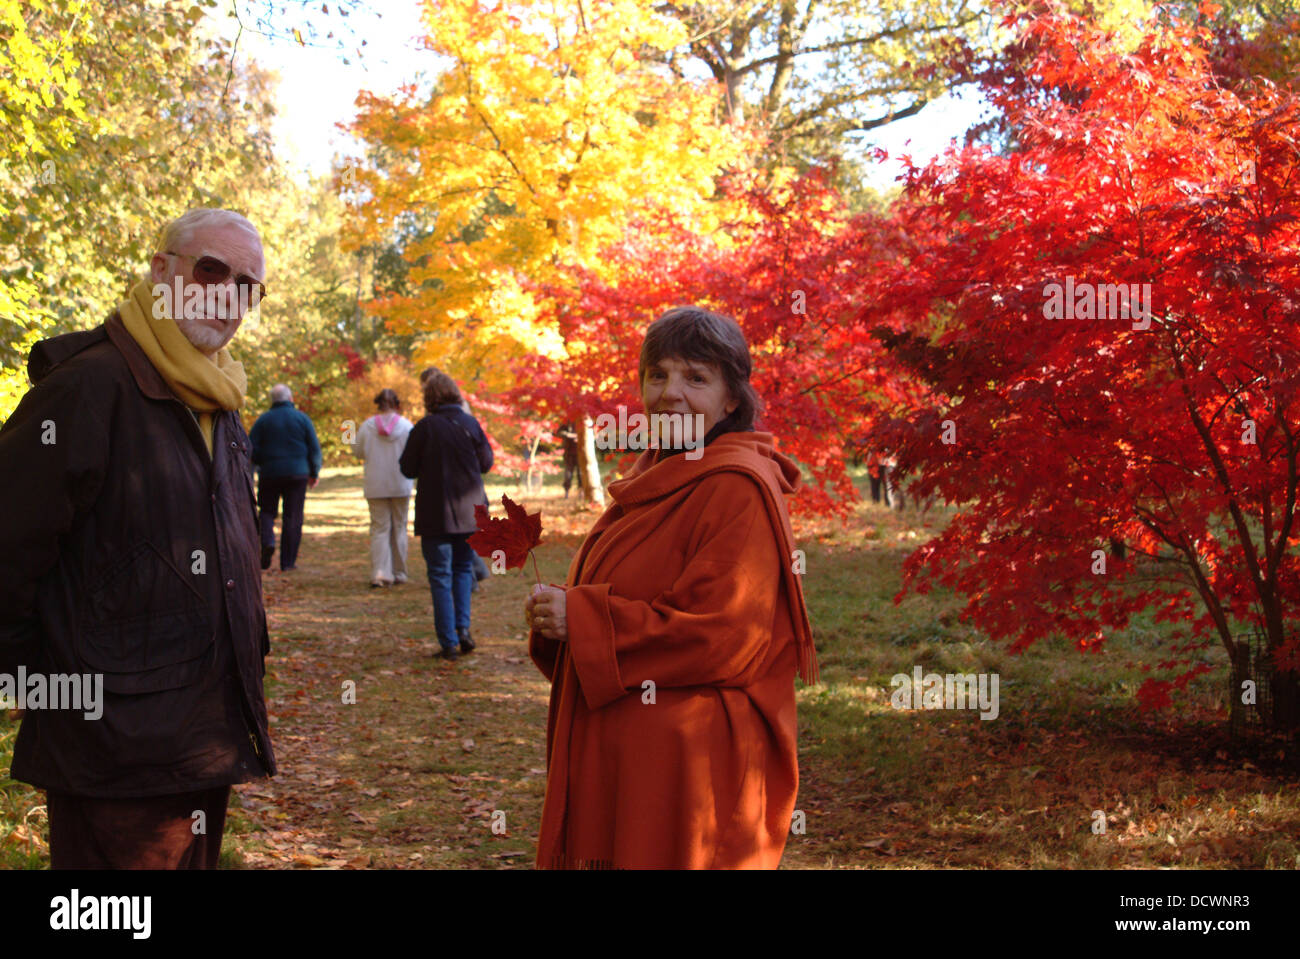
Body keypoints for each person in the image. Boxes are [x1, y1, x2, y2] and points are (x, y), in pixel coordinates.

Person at [0, 207, 276, 868]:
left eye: (247, 284)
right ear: (161, 271)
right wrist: (56, 695)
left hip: (202, 734)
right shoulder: (86, 387)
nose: (228, 294)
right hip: (112, 750)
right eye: (212, 270)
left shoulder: (220, 398)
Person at [523, 305, 817, 869]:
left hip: (688, 769)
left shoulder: (736, 487)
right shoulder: (657, 471)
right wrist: (562, 614)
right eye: (656, 375)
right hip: (633, 753)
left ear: (732, 399)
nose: (669, 393)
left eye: (695, 377)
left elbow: (726, 634)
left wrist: (583, 619)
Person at [400, 368, 493, 661]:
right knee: (463, 571)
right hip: (469, 512)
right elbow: (486, 463)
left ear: (429, 398)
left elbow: (407, 468)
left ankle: (449, 641)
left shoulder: (424, 428)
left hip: (434, 513)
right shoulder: (470, 423)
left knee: (440, 575)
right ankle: (462, 631)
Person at [249, 384, 321, 571]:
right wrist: (314, 472)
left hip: (270, 473)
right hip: (297, 474)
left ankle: (268, 541)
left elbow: (250, 448)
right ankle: (288, 562)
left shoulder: (263, 420)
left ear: (272, 400)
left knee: (266, 511)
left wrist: (257, 464)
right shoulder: (302, 419)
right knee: (293, 517)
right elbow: (314, 448)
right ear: (291, 399)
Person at [352, 388, 414, 587]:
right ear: (397, 404)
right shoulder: (406, 426)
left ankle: (381, 573)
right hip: (400, 483)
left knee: (380, 529)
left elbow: (358, 452)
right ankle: (399, 572)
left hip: (375, 483)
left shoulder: (367, 426)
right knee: (399, 527)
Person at [557, 421, 579, 498]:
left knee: (581, 474)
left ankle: (581, 492)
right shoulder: (568, 421)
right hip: (569, 453)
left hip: (581, 453)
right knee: (568, 473)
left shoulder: (584, 420)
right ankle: (566, 491)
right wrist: (570, 435)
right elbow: (559, 432)